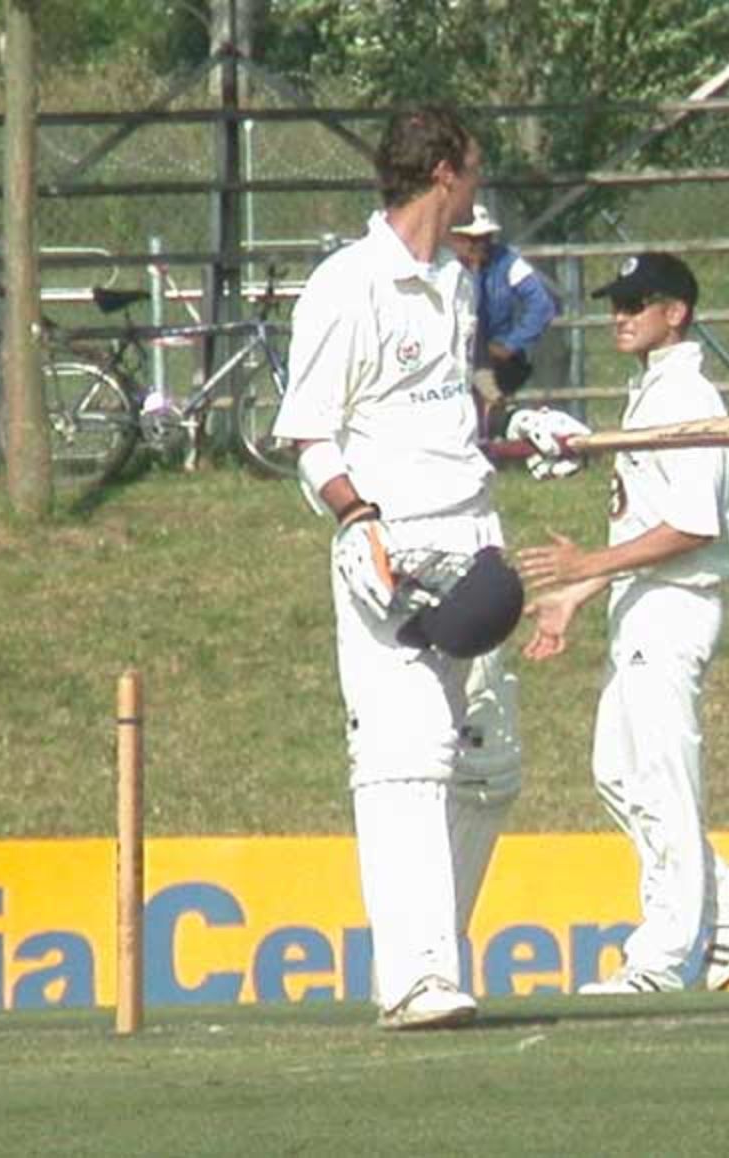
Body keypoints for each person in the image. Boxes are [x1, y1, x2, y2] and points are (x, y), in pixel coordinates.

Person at [271, 107, 525, 1030]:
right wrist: (357, 516)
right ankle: (417, 977)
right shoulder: (348, 284)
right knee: (405, 753)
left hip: (472, 541)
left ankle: (433, 954)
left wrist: (526, 440)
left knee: (490, 768)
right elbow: (307, 432)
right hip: (391, 549)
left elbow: (447, 422)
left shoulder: (455, 283)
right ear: (447, 172)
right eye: (475, 171)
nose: (479, 189)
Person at [517, 252, 729, 994]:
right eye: (617, 303)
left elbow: (693, 527)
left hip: (676, 606)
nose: (622, 315)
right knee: (618, 775)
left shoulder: (686, 396)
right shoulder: (651, 394)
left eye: (639, 302)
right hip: (640, 603)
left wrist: (586, 563)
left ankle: (661, 960)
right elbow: (649, 522)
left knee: (663, 781)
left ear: (678, 313)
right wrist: (578, 593)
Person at [448, 204, 559, 438]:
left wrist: (511, 344)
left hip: (491, 356)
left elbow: (542, 305)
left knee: (488, 391)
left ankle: (491, 435)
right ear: (455, 238)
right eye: (472, 238)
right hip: (450, 354)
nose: (480, 244)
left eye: (485, 237)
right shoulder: (443, 266)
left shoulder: (506, 261)